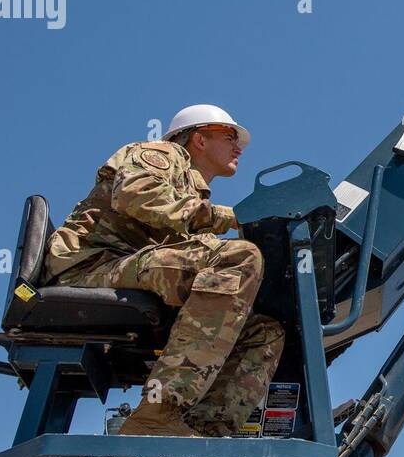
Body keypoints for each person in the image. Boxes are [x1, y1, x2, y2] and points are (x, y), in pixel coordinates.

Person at [43, 104, 285, 437]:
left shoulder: (191, 190)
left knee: (264, 331)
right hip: (90, 269)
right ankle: (157, 414)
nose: (238, 147)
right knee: (237, 258)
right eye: (230, 136)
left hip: (133, 270)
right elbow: (137, 196)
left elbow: (194, 255)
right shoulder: (161, 153)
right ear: (199, 139)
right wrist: (233, 217)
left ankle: (201, 430)